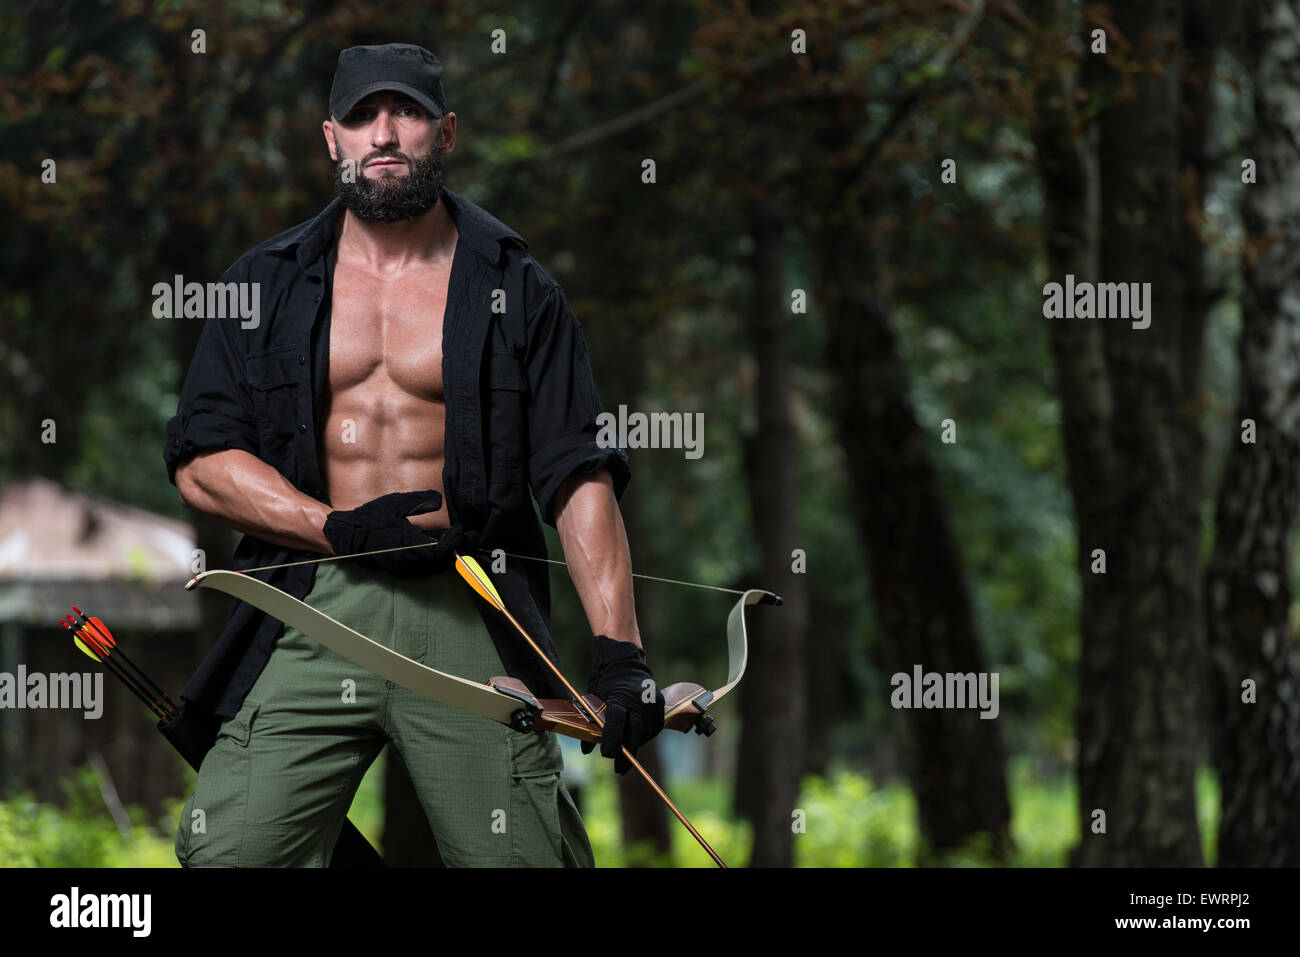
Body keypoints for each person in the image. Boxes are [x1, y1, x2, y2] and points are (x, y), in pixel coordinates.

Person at [163, 42, 664, 867]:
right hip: (311, 603)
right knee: (232, 852)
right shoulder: (262, 282)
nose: (384, 133)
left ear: (447, 132)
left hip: (466, 606)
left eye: (408, 114)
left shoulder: (520, 287)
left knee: (520, 861)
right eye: (362, 116)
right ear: (332, 137)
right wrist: (332, 526)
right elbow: (201, 462)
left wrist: (620, 655)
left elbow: (578, 472)